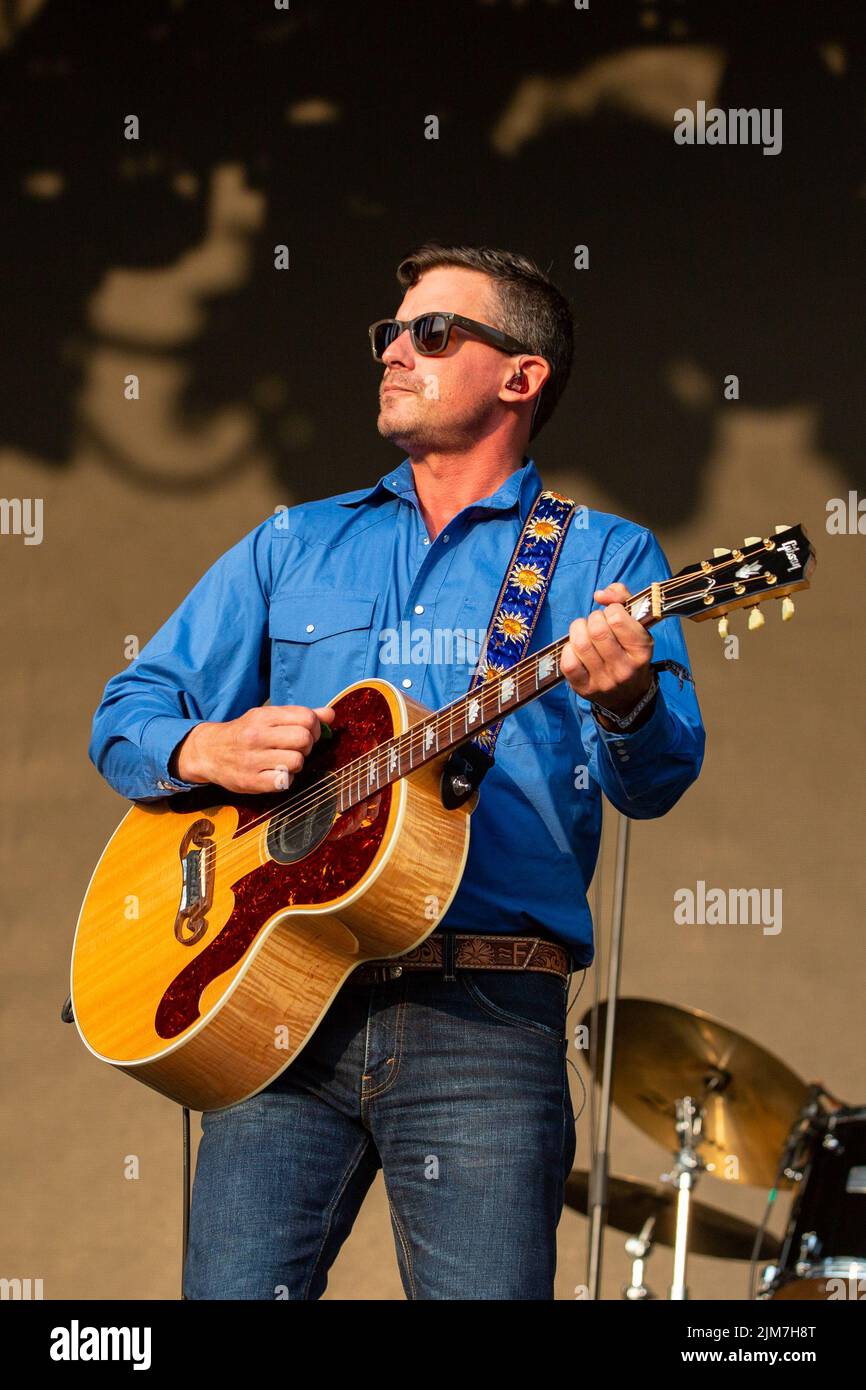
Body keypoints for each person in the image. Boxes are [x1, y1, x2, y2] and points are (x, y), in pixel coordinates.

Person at [89, 242, 705, 1300]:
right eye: (390, 333)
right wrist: (204, 747)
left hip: (486, 1018)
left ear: (521, 375)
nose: (392, 353)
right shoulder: (293, 543)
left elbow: (653, 780)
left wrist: (624, 698)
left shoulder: (602, 559)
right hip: (275, 1002)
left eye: (430, 332)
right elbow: (126, 711)